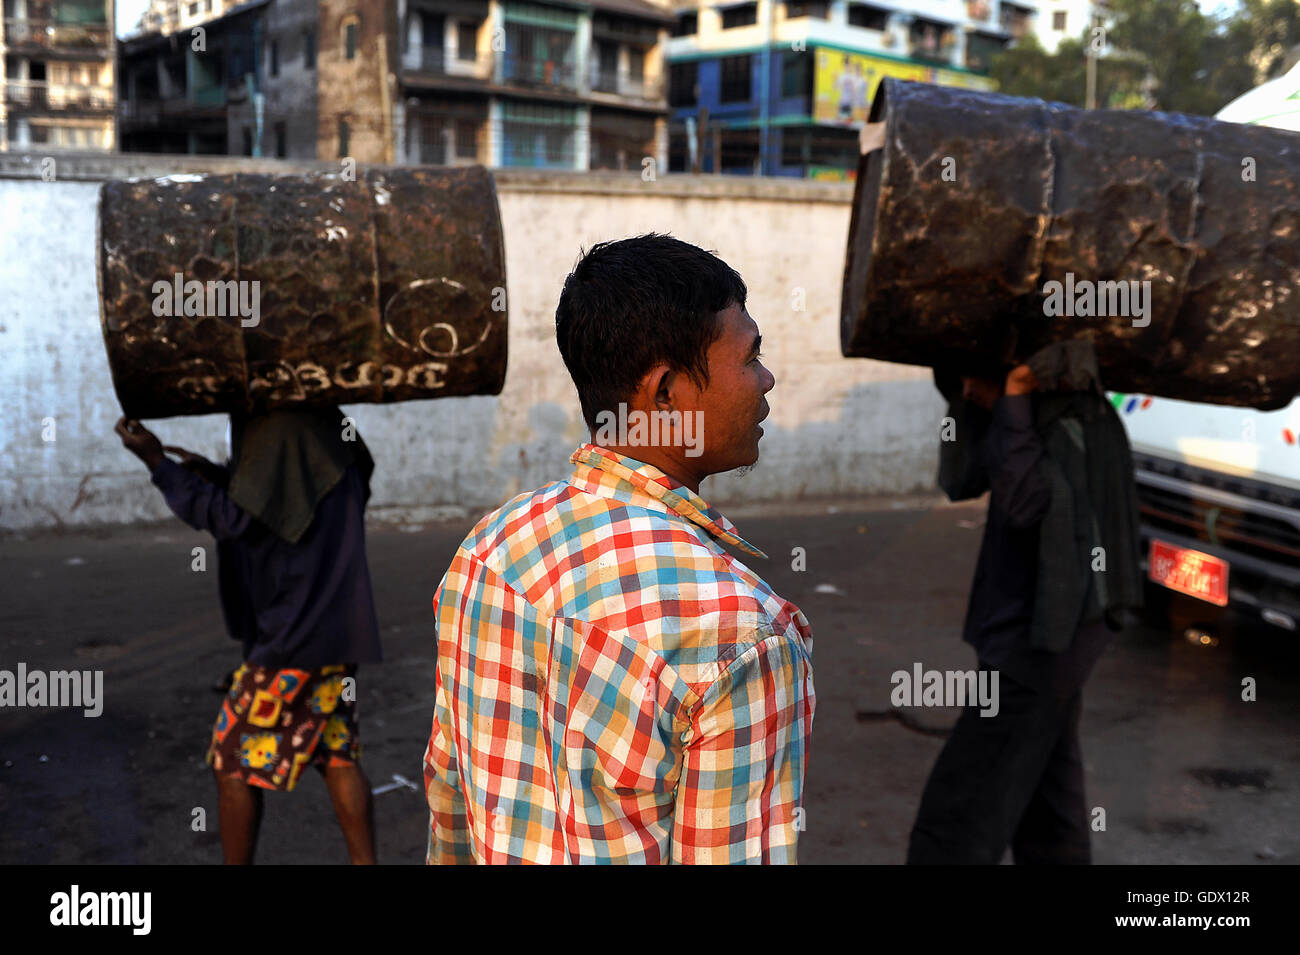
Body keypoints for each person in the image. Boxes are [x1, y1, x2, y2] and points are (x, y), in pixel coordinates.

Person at [423, 233, 815, 864]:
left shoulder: (488, 551)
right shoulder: (744, 633)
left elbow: (450, 801)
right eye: (749, 358)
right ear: (665, 395)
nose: (766, 379)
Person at [907, 341, 1143, 864]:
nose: (966, 388)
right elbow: (960, 479)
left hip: (1047, 641)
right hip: (1024, 633)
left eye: (976, 376)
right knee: (1048, 801)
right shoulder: (1015, 421)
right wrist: (982, 401)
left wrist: (1013, 396)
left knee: (962, 808)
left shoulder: (1076, 424)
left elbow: (1027, 503)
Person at [115, 407, 383, 864]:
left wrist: (157, 463)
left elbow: (236, 521)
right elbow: (284, 505)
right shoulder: (320, 423)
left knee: (232, 762)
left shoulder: (275, 425)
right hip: (335, 627)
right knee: (336, 752)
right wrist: (218, 477)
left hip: (293, 635)